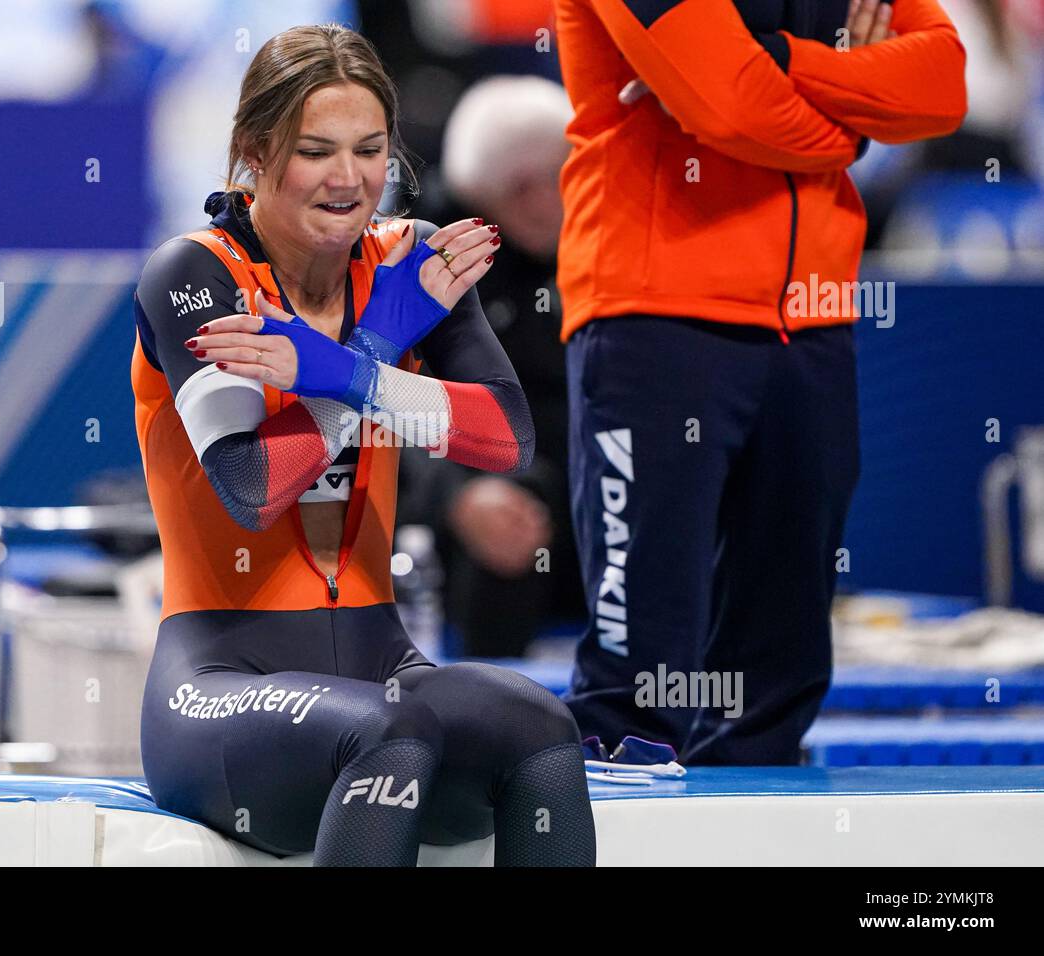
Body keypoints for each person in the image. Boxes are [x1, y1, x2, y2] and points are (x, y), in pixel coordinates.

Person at [131, 24, 595, 866]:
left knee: (541, 730)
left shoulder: (410, 262)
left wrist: (348, 373)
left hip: (384, 664)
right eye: (316, 150)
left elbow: (504, 438)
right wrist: (375, 352)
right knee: (390, 735)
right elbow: (249, 484)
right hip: (218, 686)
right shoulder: (196, 275)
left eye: (370, 149)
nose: (349, 179)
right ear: (253, 151)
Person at [555, 0, 967, 764]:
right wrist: (853, 115)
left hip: (812, 316)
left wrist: (778, 56)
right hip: (655, 307)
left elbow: (943, 87)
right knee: (640, 677)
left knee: (780, 674)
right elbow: (731, 107)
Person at [396, 75, 583, 658]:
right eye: (572, 179)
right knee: (512, 498)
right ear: (527, 189)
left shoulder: (577, 255)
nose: (585, 198)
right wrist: (456, 497)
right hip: (458, 544)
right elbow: (360, 409)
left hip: (589, 525)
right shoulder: (398, 272)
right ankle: (488, 708)